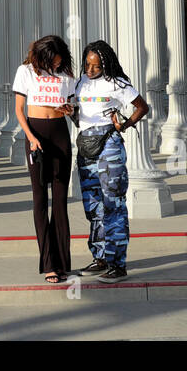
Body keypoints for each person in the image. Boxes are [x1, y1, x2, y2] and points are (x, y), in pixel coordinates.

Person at [69, 40, 149, 283]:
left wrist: (124, 125)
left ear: (105, 63)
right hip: (86, 147)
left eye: (95, 66)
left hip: (109, 147)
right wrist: (70, 112)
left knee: (113, 204)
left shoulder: (117, 83)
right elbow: (81, 118)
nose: (91, 70)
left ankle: (118, 264)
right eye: (87, 65)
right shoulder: (81, 82)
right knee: (93, 206)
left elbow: (142, 107)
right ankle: (100, 258)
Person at [13, 35, 77, 283]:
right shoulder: (26, 71)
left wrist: (70, 110)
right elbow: (19, 109)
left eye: (60, 62)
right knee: (40, 198)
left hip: (60, 133)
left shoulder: (66, 75)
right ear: (44, 56)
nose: (57, 66)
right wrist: (30, 137)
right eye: (54, 61)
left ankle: (62, 262)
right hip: (36, 134)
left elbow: (71, 106)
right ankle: (48, 263)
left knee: (60, 201)